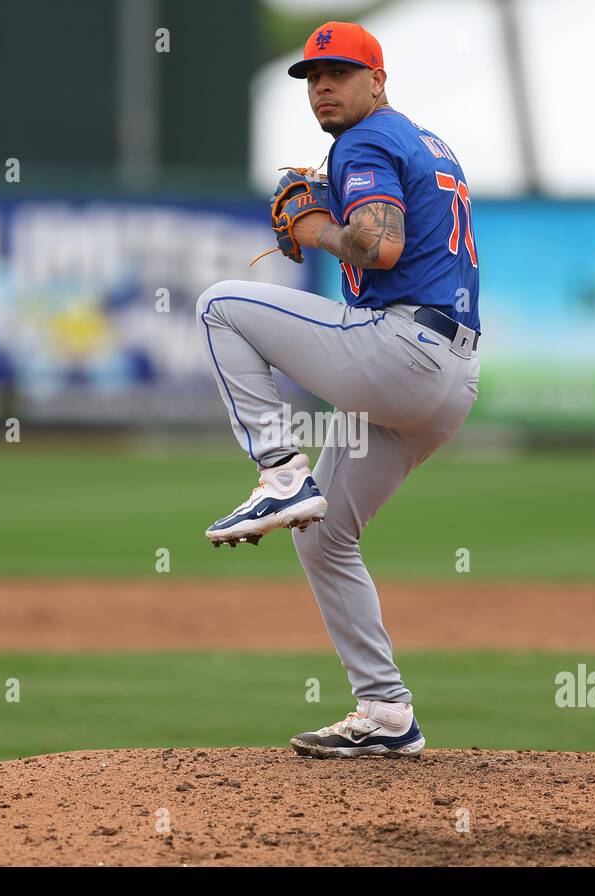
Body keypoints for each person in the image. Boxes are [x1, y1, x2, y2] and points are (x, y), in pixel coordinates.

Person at [196, 21, 481, 758]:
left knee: (221, 304)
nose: (322, 86)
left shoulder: (365, 142)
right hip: (446, 381)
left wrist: (317, 226)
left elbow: (379, 243)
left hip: (403, 351)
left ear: (377, 81)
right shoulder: (426, 141)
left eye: (340, 73)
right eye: (312, 75)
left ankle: (279, 471)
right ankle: (386, 712)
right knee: (325, 538)